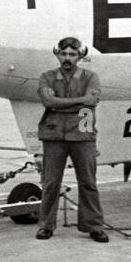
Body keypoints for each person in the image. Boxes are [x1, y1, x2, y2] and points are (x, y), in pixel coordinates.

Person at [36, 37, 107, 243]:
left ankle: (94, 226)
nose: (67, 58)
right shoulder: (46, 77)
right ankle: (46, 226)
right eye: (64, 54)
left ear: (79, 56)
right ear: (58, 54)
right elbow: (48, 101)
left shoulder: (90, 77)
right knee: (50, 183)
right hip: (54, 135)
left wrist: (59, 104)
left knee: (88, 182)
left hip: (83, 135)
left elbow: (91, 103)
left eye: (72, 54)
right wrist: (80, 101)